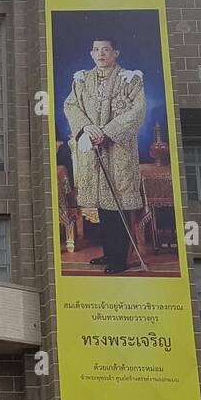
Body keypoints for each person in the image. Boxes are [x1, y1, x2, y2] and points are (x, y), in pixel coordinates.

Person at [62, 38, 146, 274]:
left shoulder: (130, 79)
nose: (101, 54)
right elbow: (71, 105)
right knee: (102, 204)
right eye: (96, 50)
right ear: (91, 53)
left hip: (119, 150)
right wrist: (87, 128)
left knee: (117, 204)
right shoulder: (82, 80)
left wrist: (107, 132)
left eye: (106, 50)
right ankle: (109, 253)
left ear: (115, 53)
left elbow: (137, 111)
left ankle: (119, 259)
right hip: (93, 149)